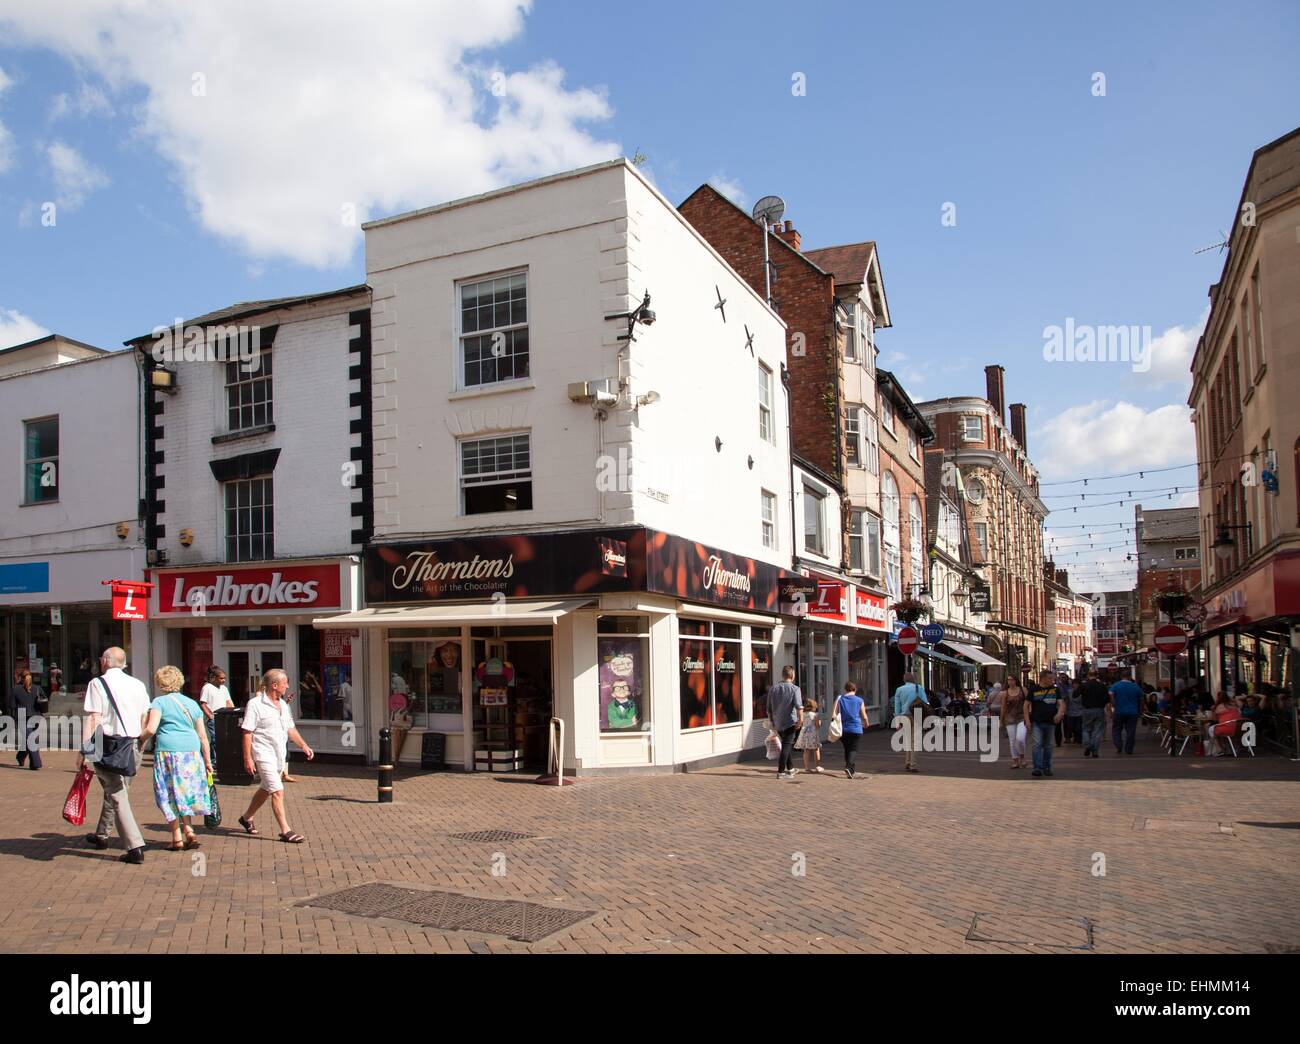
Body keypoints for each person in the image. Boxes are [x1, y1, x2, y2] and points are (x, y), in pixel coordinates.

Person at [78, 648, 151, 864]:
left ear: (104, 662)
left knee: (118, 795)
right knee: (118, 791)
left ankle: (135, 846)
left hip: (108, 746)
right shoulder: (138, 684)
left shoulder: (97, 684)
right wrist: (141, 744)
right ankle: (102, 835)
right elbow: (144, 717)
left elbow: (94, 718)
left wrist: (84, 750)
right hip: (132, 745)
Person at [139, 666, 212, 851]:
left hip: (168, 752)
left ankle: (176, 836)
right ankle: (189, 830)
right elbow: (203, 736)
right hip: (191, 752)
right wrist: (208, 760)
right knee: (184, 792)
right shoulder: (192, 703)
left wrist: (139, 739)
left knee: (167, 793)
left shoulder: (159, 702)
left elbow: (151, 729)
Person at [238, 669, 314, 842]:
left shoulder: (284, 706)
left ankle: (246, 817)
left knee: (266, 788)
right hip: (263, 754)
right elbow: (247, 732)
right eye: (285, 683)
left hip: (279, 754)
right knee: (278, 791)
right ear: (274, 685)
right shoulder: (255, 704)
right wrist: (247, 758)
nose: (287, 686)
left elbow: (290, 728)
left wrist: (304, 745)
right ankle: (286, 831)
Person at [767, 666, 804, 779]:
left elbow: (769, 708)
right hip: (790, 722)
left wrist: (772, 722)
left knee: (785, 744)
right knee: (786, 746)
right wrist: (800, 720)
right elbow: (799, 706)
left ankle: (791, 768)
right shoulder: (795, 689)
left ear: (783, 675)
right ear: (792, 676)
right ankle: (781, 772)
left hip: (778, 722)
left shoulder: (773, 688)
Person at [1027, 669, 1065, 777]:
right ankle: (1037, 768)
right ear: (1043, 678)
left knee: (1048, 746)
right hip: (1037, 722)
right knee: (1037, 745)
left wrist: (1059, 714)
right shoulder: (1034, 689)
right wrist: (1027, 720)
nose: (1052, 680)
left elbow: (1061, 703)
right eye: (1050, 678)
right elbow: (1026, 705)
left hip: (1050, 722)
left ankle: (1047, 767)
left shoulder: (1055, 690)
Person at [892, 672, 930, 773]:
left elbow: (897, 706)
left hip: (905, 716)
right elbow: (926, 702)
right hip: (917, 714)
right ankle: (913, 764)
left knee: (908, 740)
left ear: (904, 680)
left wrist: (897, 721)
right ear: (914, 679)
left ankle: (908, 762)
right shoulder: (919, 688)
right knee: (916, 741)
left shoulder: (899, 690)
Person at [11, 670, 45, 770]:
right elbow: (44, 701)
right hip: (36, 716)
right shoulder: (37, 688)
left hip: (22, 716)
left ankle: (35, 763)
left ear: (21, 678)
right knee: (30, 738)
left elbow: (11, 705)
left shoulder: (16, 689)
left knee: (30, 739)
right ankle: (24, 758)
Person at [199, 665, 232, 765]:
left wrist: (231, 712)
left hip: (224, 717)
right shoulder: (207, 688)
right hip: (213, 718)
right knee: (214, 739)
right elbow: (203, 703)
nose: (223, 680)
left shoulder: (224, 688)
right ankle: (214, 760)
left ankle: (223, 759)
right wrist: (210, 715)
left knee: (224, 739)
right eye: (221, 678)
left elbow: (228, 701)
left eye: (224, 678)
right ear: (214, 678)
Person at [833, 682, 866, 779]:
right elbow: (864, 715)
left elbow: (834, 714)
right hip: (856, 728)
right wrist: (866, 723)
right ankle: (849, 767)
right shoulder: (859, 700)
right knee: (853, 749)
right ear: (855, 689)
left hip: (843, 729)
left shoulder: (840, 699)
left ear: (845, 689)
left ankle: (850, 769)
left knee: (847, 748)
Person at [1078, 669, 1111, 757]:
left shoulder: (1084, 685)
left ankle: (1088, 744)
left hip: (1087, 710)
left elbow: (1075, 694)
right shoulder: (1102, 686)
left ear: (1088, 675)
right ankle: (1095, 750)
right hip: (1099, 709)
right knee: (1097, 731)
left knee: (1085, 729)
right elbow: (1107, 699)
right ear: (1097, 676)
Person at [1109, 673, 1144, 755]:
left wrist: (1113, 706)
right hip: (1132, 712)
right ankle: (1129, 749)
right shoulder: (1135, 686)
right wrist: (1140, 709)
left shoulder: (1116, 686)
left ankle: (1118, 744)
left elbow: (1111, 696)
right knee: (1131, 731)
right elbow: (1141, 698)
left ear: (1121, 676)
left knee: (1116, 729)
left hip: (1119, 711)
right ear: (1129, 677)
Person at [1000, 675, 1028, 769]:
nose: (1010, 682)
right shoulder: (1005, 693)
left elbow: (1028, 702)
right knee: (1012, 741)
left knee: (1020, 738)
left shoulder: (1023, 690)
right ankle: (1015, 761)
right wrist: (1001, 720)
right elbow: (1003, 707)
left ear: (1016, 680)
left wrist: (1029, 715)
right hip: (1009, 719)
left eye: (1012, 679)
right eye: (1008, 680)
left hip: (1021, 717)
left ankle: (1022, 757)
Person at [1207, 692, 1243, 756]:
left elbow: (1214, 719)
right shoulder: (1234, 705)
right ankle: (1230, 749)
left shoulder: (1218, 706)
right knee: (1219, 729)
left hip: (1227, 729)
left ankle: (1219, 749)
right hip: (1239, 729)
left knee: (1210, 729)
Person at [794, 698, 823, 774]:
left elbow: (801, 722)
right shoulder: (815, 715)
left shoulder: (803, 714)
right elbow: (817, 726)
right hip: (813, 734)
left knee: (806, 750)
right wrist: (820, 722)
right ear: (814, 706)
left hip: (805, 733)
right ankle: (817, 766)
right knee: (816, 749)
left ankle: (807, 768)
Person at [1064, 676, 1084, 745]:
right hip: (1070, 712)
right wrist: (1065, 709)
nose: (1075, 685)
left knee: (1079, 727)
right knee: (1071, 727)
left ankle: (1079, 739)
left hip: (1080, 712)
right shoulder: (1069, 691)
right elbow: (1066, 700)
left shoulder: (1082, 692)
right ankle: (1075, 736)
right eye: (1074, 683)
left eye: (1077, 683)